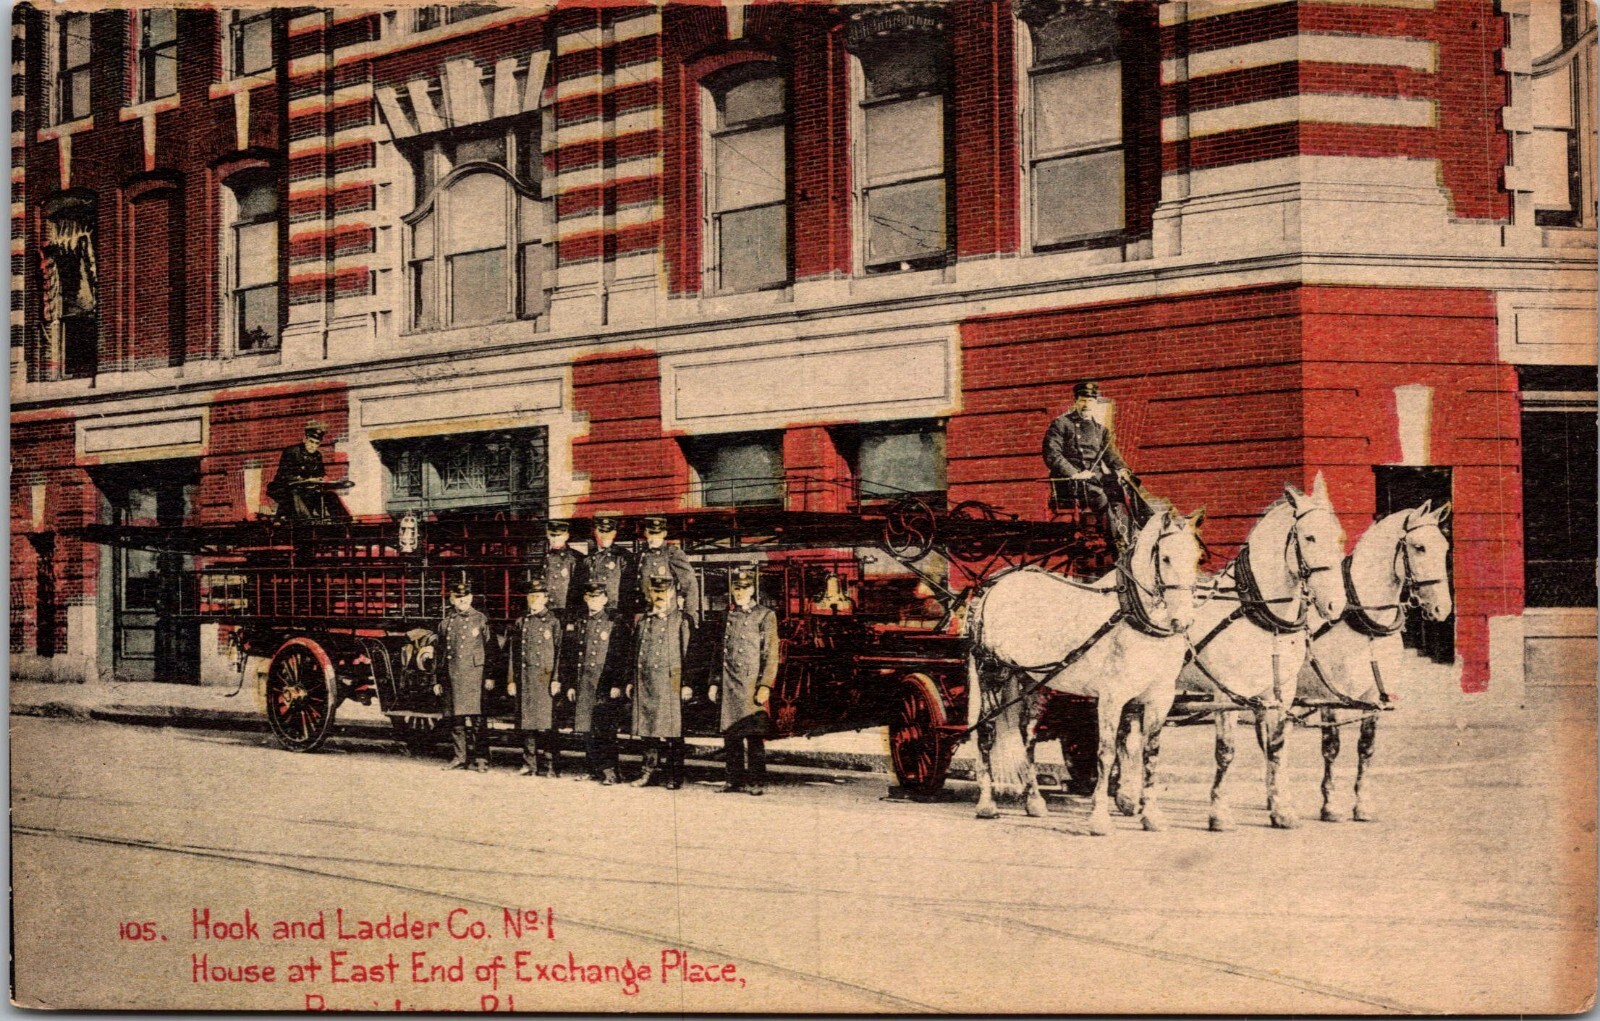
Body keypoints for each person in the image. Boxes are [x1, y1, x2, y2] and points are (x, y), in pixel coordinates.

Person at [1042, 381, 1151, 545]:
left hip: (1096, 477)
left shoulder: (1100, 430)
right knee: (1100, 497)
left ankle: (1146, 529)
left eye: (1090, 401)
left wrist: (1122, 469)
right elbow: (1052, 454)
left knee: (1129, 488)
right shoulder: (1062, 424)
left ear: (1095, 403)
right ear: (1076, 402)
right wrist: (1074, 473)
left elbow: (1111, 455)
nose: (1086, 405)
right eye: (1083, 400)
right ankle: (1117, 542)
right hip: (1074, 482)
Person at [711, 566, 779, 796]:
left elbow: (771, 655)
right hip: (730, 683)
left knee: (753, 735)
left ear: (752, 590)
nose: (739, 593)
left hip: (751, 684)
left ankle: (757, 781)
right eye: (736, 589)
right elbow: (718, 654)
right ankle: (734, 780)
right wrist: (714, 682)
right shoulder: (727, 616)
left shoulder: (765, 615)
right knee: (731, 734)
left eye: (744, 588)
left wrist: (765, 686)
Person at [629, 577, 693, 789]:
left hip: (670, 684)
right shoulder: (644, 621)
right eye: (655, 593)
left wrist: (687, 683)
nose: (659, 597)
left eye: (663, 593)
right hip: (646, 683)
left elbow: (689, 656)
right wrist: (631, 681)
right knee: (647, 731)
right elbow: (634, 654)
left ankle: (674, 775)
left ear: (672, 594)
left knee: (673, 731)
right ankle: (648, 772)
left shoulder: (681, 621)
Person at [564, 580, 628, 785]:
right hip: (584, 683)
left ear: (605, 599)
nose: (594, 601)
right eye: (590, 597)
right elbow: (573, 656)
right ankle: (593, 769)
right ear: (585, 598)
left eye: (598, 597)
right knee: (586, 728)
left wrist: (617, 684)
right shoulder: (580, 621)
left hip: (604, 684)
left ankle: (610, 771)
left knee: (605, 729)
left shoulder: (614, 621)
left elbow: (621, 656)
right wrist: (572, 684)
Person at [435, 573, 491, 773]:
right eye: (458, 598)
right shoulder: (446, 623)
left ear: (471, 598)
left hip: (475, 678)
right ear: (452, 599)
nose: (462, 600)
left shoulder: (480, 619)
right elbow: (440, 654)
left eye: (465, 597)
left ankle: (482, 759)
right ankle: (460, 757)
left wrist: (489, 677)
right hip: (453, 676)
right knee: (456, 721)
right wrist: (438, 680)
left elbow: (490, 650)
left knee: (477, 721)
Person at [509, 574, 563, 777]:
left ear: (546, 598)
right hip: (525, 679)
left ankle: (551, 765)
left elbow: (559, 653)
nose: (534, 600)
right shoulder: (521, 622)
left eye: (538, 596)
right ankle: (529, 764)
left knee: (547, 725)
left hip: (545, 680)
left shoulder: (553, 622)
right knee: (527, 724)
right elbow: (513, 655)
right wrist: (512, 680)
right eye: (531, 596)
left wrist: (556, 679)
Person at [636, 515, 701, 627]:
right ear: (645, 533)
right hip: (646, 614)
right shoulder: (642, 555)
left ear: (664, 534)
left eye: (657, 534)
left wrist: (689, 614)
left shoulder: (672, 553)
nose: (653, 538)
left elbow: (690, 584)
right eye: (651, 533)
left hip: (666, 616)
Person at [266, 421, 331, 520]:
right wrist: (305, 480)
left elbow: (321, 473)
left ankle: (342, 521)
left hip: (306, 488)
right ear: (305, 439)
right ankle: (307, 522)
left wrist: (325, 478)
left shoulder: (317, 455)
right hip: (284, 487)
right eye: (311, 441)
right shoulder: (292, 451)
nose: (313, 446)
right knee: (295, 493)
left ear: (320, 444)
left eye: (316, 443)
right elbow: (284, 474)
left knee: (330, 495)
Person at [580, 514, 634, 610]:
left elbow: (628, 590)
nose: (605, 536)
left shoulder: (623, 557)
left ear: (614, 533)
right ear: (594, 532)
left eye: (608, 532)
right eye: (601, 531)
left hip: (612, 611)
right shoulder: (587, 558)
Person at [541, 519, 582, 615]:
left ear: (567, 536)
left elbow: (578, 588)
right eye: (552, 535)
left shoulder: (575, 557)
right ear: (547, 535)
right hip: (547, 608)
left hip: (566, 610)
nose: (555, 539)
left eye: (559, 535)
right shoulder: (546, 557)